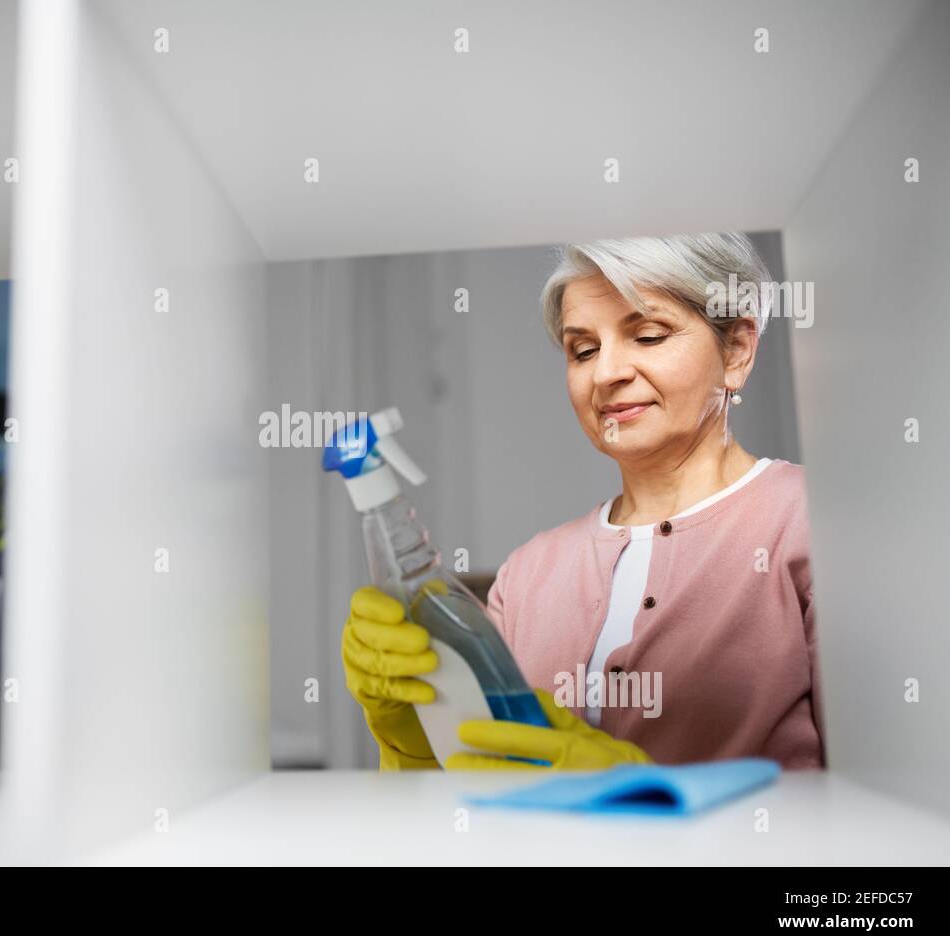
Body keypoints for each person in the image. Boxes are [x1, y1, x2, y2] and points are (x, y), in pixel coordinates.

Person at [342, 233, 824, 771]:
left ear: (736, 350)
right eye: (584, 350)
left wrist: (648, 795)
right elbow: (478, 786)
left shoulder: (815, 523)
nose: (606, 373)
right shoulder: (527, 575)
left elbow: (877, 792)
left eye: (647, 336)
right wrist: (414, 739)